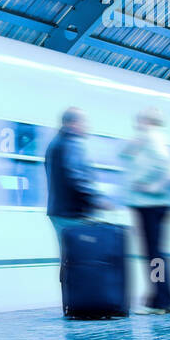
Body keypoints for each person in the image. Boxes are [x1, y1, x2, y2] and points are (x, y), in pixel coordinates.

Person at [120, 108, 170, 314]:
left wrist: (151, 186)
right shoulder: (153, 139)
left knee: (153, 255)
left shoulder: (153, 137)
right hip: (155, 205)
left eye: (139, 119)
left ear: (147, 120)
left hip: (150, 205)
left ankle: (159, 301)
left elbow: (166, 167)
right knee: (158, 253)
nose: (137, 123)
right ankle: (169, 298)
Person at [45, 107, 110, 251]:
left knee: (69, 259)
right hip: (73, 213)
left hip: (59, 211)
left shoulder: (55, 143)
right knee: (82, 258)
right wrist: (97, 199)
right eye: (84, 122)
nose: (87, 126)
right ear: (73, 123)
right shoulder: (72, 144)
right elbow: (77, 177)